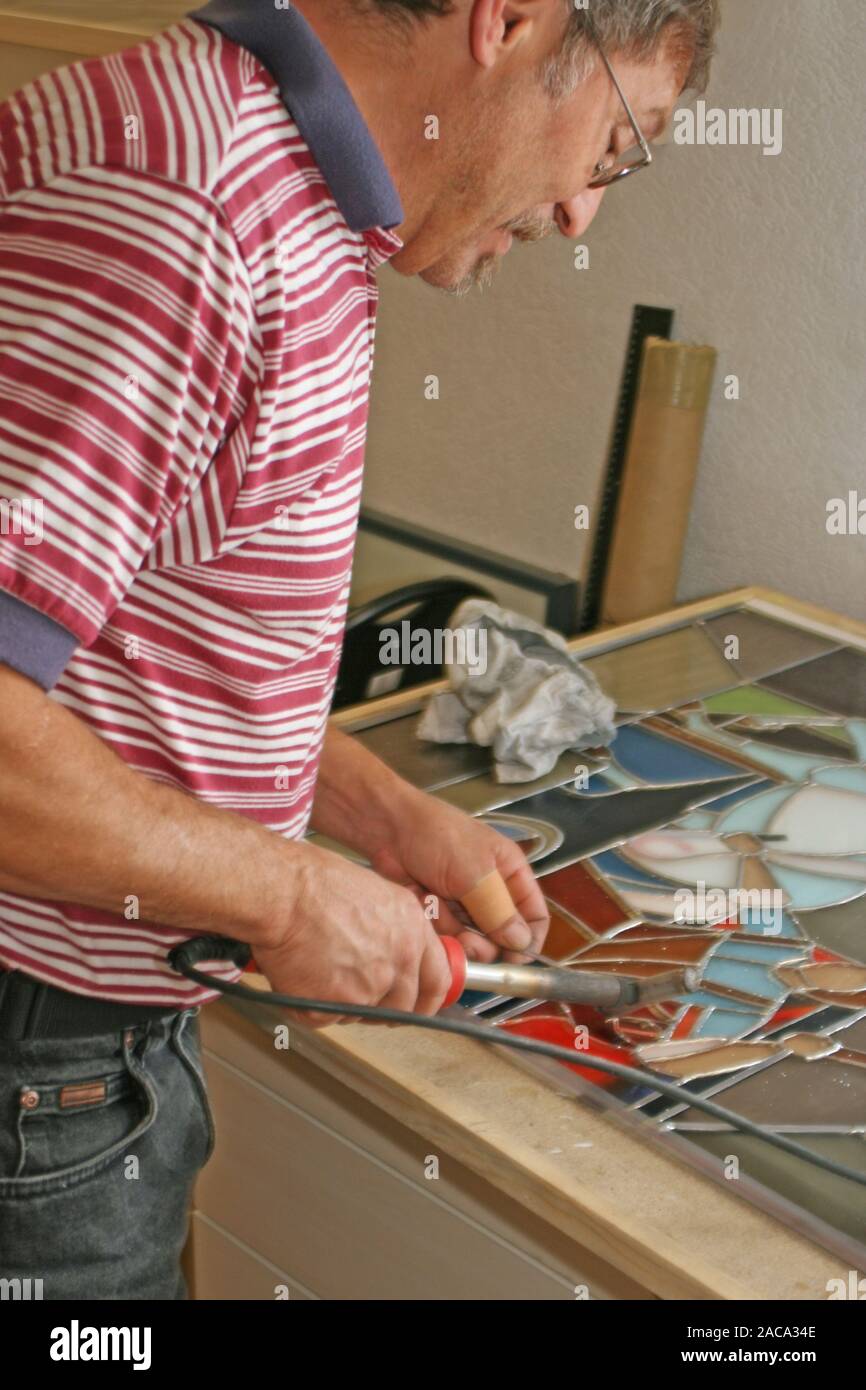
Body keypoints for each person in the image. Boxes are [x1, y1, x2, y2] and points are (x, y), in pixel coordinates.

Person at [0, 0, 719, 1298]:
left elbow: (125, 639)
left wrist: (372, 809)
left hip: (78, 1047)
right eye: (615, 144)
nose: (579, 215)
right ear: (508, 18)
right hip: (32, 1054)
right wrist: (288, 895)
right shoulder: (188, 210)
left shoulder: (289, 193)